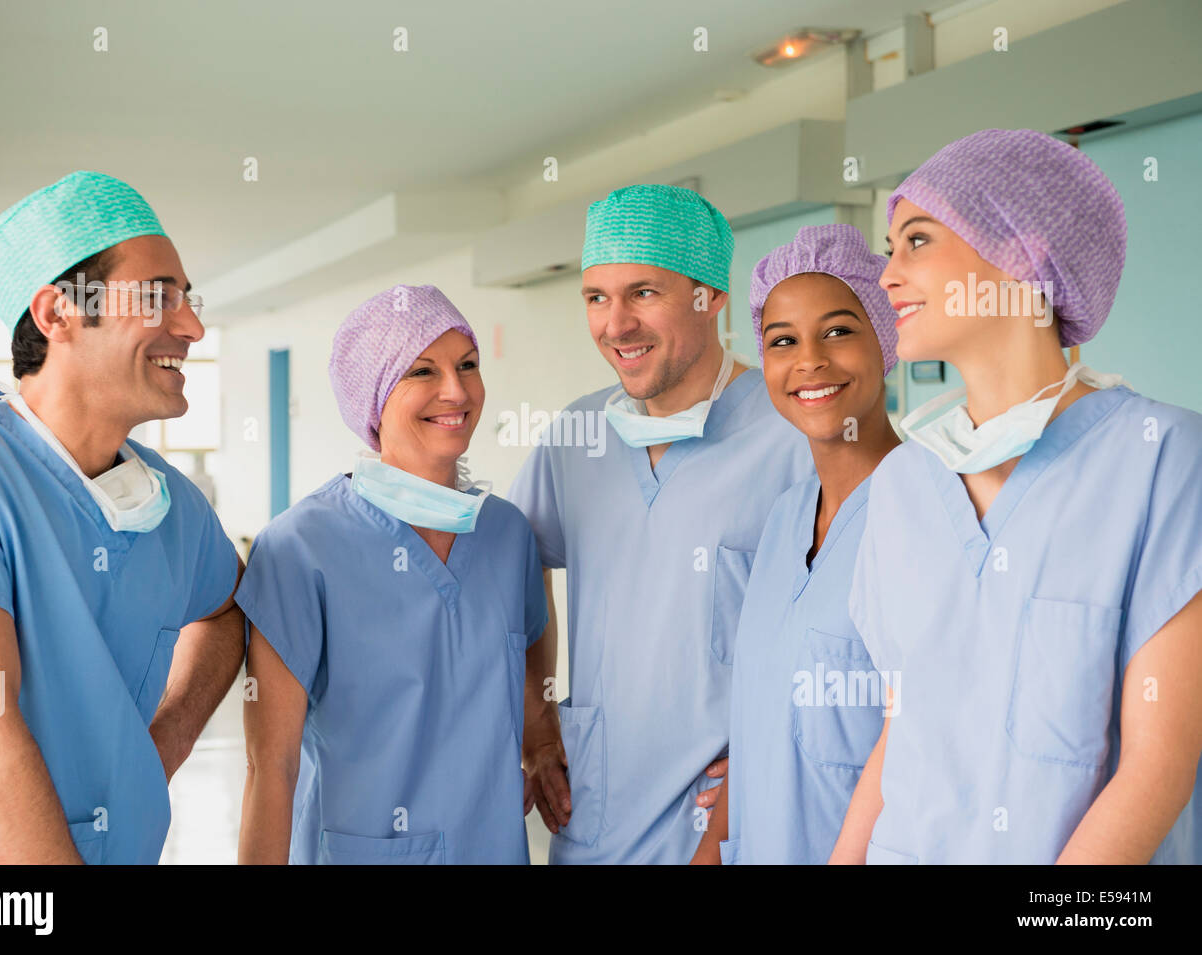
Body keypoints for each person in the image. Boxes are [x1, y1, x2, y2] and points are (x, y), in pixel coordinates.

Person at [830, 129, 1202, 864]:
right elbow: (903, 733)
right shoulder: (905, 485)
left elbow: (1158, 771)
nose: (887, 274)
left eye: (916, 241)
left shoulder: (1163, 459)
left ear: (1027, 256)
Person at [0, 171, 244, 864]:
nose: (194, 326)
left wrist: (164, 743)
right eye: (158, 296)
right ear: (58, 312)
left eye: (188, 297)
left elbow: (228, 606)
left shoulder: (173, 504)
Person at [510, 184, 813, 864]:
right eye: (596, 297)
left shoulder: (791, 435)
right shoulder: (576, 436)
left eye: (643, 292)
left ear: (711, 297)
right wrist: (538, 720)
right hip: (595, 816)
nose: (615, 324)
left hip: (729, 826)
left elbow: (842, 634)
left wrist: (772, 754)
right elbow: (513, 563)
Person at [236, 284, 546, 865]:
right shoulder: (301, 546)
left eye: (468, 365)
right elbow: (270, 766)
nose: (455, 390)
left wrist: (545, 742)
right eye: (421, 371)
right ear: (372, 398)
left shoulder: (505, 534)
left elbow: (528, 658)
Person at [689, 225, 901, 864]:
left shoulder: (928, 512)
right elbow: (758, 715)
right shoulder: (784, 520)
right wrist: (709, 851)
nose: (809, 360)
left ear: (885, 340)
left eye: (837, 330)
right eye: (782, 341)